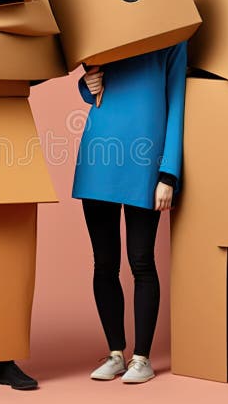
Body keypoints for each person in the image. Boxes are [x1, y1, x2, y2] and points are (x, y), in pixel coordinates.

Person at [73, 42, 186, 384]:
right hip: (99, 155)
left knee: (141, 261)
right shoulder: (106, 28)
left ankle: (142, 358)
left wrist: (169, 173)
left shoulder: (174, 36)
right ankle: (115, 353)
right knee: (104, 262)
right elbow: (90, 79)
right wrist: (85, 84)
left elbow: (178, 102)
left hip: (145, 159)